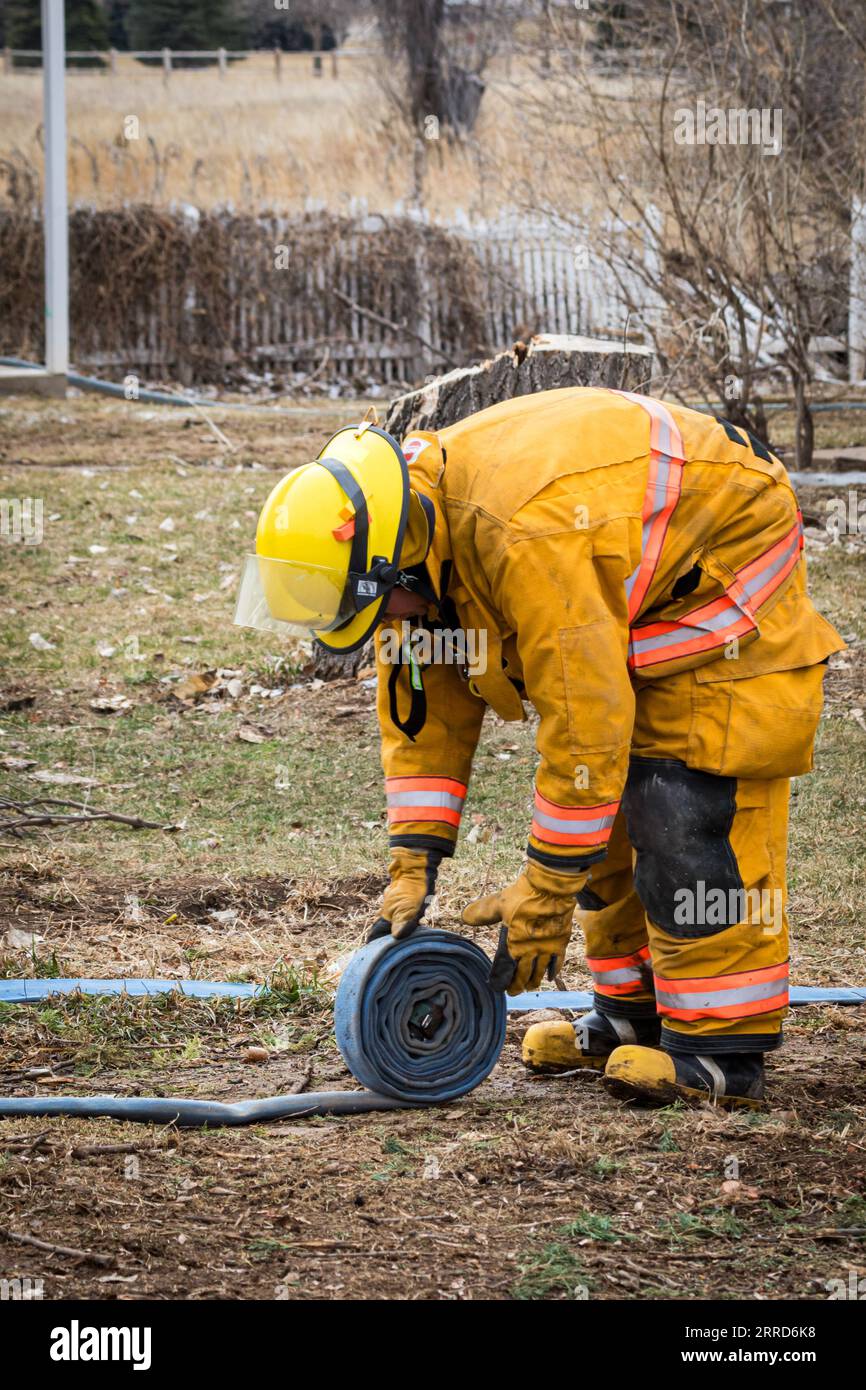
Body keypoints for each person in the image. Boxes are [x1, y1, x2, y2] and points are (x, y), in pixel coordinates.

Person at [235, 388, 843, 1109]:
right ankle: (627, 1021)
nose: (368, 624)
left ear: (395, 568)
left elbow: (585, 725)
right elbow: (424, 714)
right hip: (620, 582)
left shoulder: (527, 536)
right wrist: (412, 865)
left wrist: (545, 893)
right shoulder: (412, 538)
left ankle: (720, 1053)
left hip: (722, 578)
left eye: (367, 605)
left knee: (677, 808)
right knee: (605, 824)